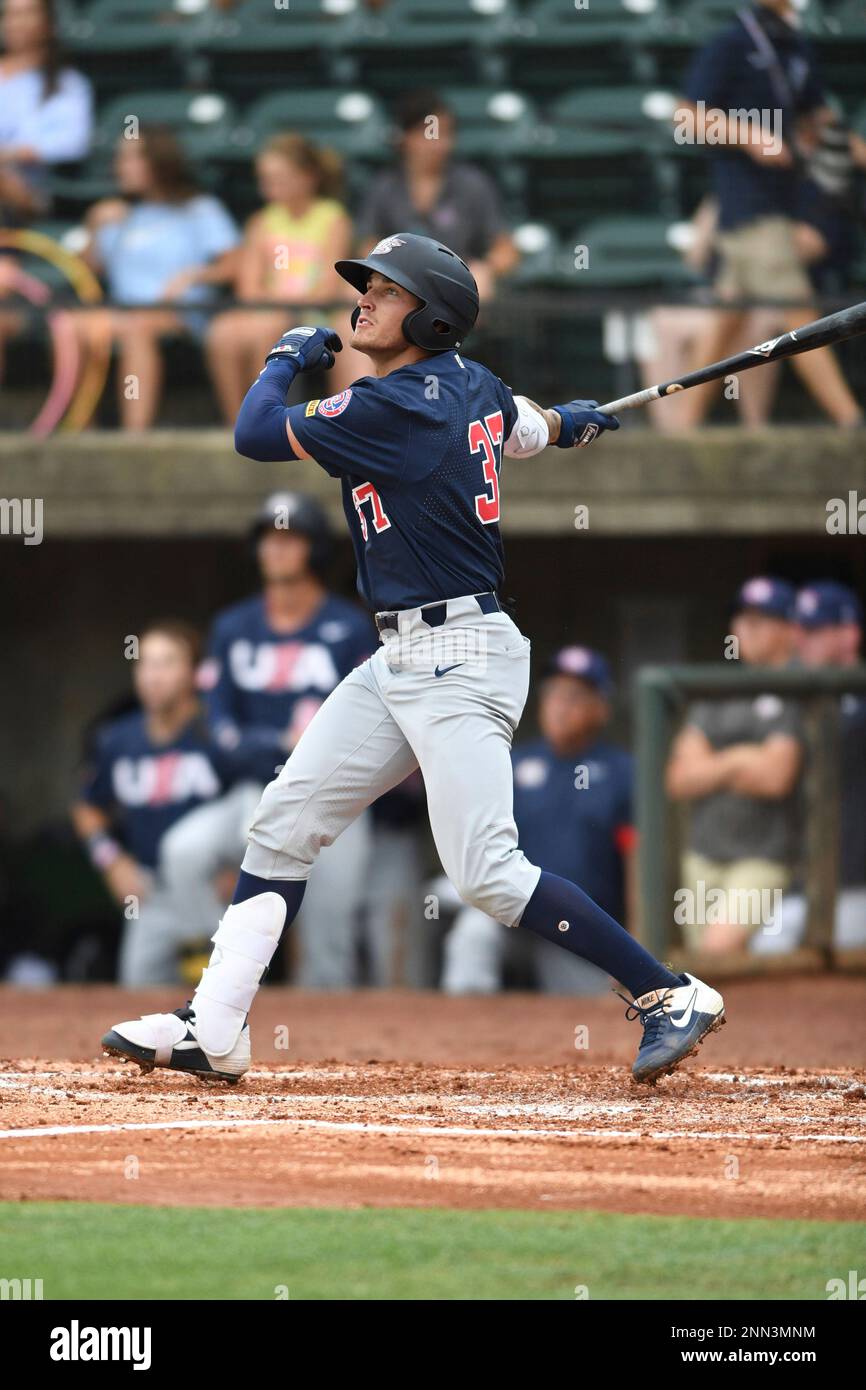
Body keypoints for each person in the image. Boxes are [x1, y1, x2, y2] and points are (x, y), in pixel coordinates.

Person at [102, 231, 725, 1087]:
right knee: (282, 825)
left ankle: (668, 994)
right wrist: (570, 421)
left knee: (488, 874)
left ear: (431, 318)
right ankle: (214, 1026)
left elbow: (252, 433)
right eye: (366, 285)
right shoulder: (474, 388)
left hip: (460, 654)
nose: (363, 299)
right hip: (400, 654)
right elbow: (526, 426)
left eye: (385, 291)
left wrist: (285, 357)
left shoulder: (391, 407)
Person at [160, 490, 378, 989]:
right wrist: (286, 739)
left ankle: (335, 1050)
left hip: (333, 798)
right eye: (267, 539)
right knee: (183, 851)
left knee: (329, 936)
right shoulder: (232, 627)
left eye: (290, 538)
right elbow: (219, 734)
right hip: (252, 794)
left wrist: (297, 744)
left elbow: (369, 727)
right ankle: (207, 987)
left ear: (315, 549)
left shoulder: (347, 627)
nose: (275, 550)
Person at [674, 0, 862, 428]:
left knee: (725, 320)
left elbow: (821, 121)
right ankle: (852, 423)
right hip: (750, 210)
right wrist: (749, 135)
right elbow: (685, 116)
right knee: (798, 314)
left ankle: (681, 430)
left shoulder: (793, 43)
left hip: (783, 202)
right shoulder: (732, 42)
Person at [442, 647, 634, 996]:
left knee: (594, 1010)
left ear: (601, 709)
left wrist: (635, 941)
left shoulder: (623, 772)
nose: (561, 705)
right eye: (553, 694)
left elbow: (638, 860)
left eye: (575, 697)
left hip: (581, 925)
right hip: (512, 911)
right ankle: (460, 1034)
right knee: (473, 934)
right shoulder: (512, 761)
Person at [71, 621, 235, 985]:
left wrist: (243, 872)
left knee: (221, 998)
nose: (153, 676)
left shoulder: (218, 732)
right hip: (151, 894)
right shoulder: (117, 738)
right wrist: (111, 861)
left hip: (211, 892)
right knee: (139, 1000)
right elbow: (87, 808)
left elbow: (255, 804)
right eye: (144, 663)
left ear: (196, 673)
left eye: (167, 663)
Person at [666, 577, 804, 953]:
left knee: (718, 949)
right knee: (705, 967)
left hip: (767, 856)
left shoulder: (802, 687)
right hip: (704, 853)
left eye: (761, 621)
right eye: (743, 619)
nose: (745, 629)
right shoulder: (720, 690)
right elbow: (679, 779)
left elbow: (776, 778)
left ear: (790, 629)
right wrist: (742, 759)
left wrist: (712, 765)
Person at [75, 126, 239, 430]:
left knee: (137, 327)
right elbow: (86, 272)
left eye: (130, 158)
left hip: (183, 315)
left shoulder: (199, 209)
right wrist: (94, 227)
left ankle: (135, 436)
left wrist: (195, 275)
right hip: (121, 312)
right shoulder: (118, 214)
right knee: (72, 325)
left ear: (158, 161)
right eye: (119, 159)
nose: (119, 167)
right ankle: (79, 429)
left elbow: (234, 264)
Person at [207, 134, 366, 422]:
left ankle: (275, 421)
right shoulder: (261, 222)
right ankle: (239, 423)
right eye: (265, 179)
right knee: (222, 332)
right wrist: (276, 304)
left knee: (270, 329)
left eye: (278, 178)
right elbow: (249, 289)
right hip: (269, 311)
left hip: (318, 314)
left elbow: (327, 288)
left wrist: (279, 304)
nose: (268, 187)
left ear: (307, 178)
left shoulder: (333, 219)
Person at [753, 580, 866, 953]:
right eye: (798, 630)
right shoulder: (790, 698)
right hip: (798, 879)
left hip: (857, 883)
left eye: (814, 631)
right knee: (765, 952)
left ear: (849, 635)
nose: (801, 640)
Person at [356, 90, 519, 302]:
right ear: (405, 137)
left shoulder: (473, 184)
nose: (439, 143)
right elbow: (367, 243)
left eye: (447, 133)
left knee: (479, 282)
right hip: (396, 282)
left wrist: (485, 268)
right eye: (429, 132)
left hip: (456, 283)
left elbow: (505, 249)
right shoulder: (384, 186)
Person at [0, 0, 92, 225]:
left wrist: (14, 154)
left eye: (26, 14)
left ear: (48, 24)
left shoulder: (68, 84)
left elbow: (72, 143)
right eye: (10, 15)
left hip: (33, 193)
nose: (16, 23)